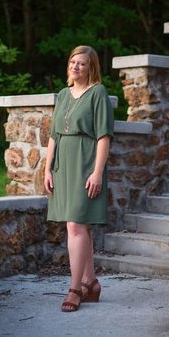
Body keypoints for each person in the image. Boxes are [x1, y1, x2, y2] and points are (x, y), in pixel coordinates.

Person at [44, 45, 114, 312]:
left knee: (76, 225)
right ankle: (90, 283)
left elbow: (104, 136)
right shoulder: (62, 94)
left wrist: (97, 172)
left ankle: (75, 290)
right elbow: (53, 135)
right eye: (73, 62)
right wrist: (47, 169)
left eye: (82, 63)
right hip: (63, 165)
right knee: (76, 226)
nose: (76, 67)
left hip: (86, 164)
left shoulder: (98, 92)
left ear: (91, 67)